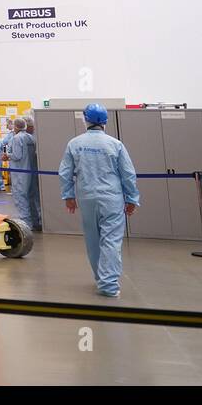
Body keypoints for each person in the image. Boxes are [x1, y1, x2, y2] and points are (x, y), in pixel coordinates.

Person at [60, 104, 140, 297]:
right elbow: (128, 174)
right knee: (111, 240)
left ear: (85, 119)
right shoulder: (115, 144)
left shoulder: (74, 143)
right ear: (105, 121)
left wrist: (69, 196)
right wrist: (132, 198)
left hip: (87, 198)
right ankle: (109, 285)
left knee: (93, 240)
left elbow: (65, 173)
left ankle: (101, 278)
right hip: (111, 199)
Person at [8, 116, 42, 230]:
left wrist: (7, 155)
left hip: (20, 174)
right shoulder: (31, 138)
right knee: (32, 197)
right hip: (31, 173)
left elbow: (17, 156)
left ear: (15, 126)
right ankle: (36, 221)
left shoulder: (17, 138)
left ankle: (26, 225)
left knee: (21, 198)